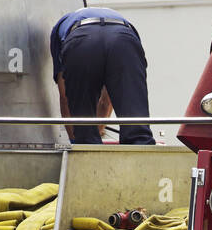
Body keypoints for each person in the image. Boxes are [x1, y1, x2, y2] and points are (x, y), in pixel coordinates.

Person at [50, 7, 154, 145]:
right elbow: (107, 101)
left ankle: (85, 150)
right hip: (123, 37)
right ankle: (142, 155)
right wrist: (99, 130)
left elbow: (65, 98)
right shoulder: (118, 18)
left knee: (84, 127)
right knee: (136, 126)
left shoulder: (60, 28)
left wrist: (77, 141)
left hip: (81, 39)